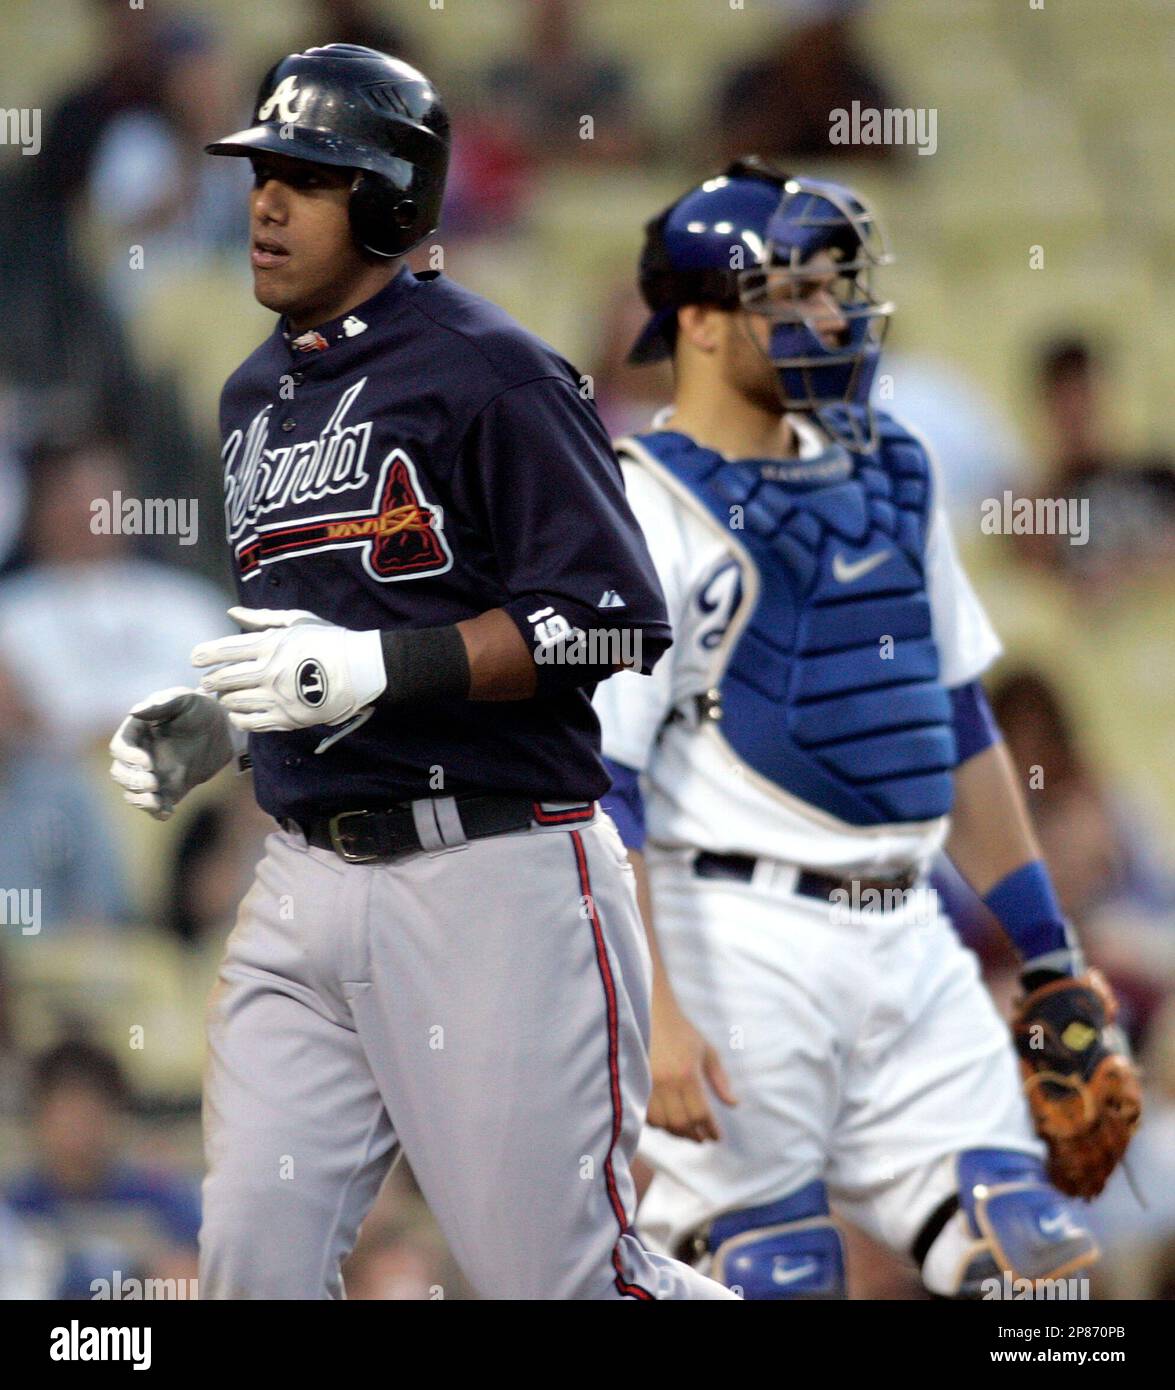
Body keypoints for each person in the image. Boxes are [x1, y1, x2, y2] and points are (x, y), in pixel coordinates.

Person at [109, 45, 734, 1302]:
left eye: (310, 176)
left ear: (393, 200)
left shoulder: (492, 371)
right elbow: (325, 641)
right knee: (249, 1265)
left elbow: (613, 622)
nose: (268, 202)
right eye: (262, 173)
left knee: (554, 1283)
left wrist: (375, 668)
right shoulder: (249, 399)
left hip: (492, 873)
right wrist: (231, 722)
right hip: (301, 881)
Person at [593, 161, 1141, 1297]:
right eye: (792, 292)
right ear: (697, 321)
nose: (832, 316)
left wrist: (1046, 955)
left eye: (834, 287)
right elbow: (605, 787)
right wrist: (660, 1010)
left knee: (1039, 1280)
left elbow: (946, 716)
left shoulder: (891, 470)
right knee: (780, 1278)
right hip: (728, 942)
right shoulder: (639, 505)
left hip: (903, 939)